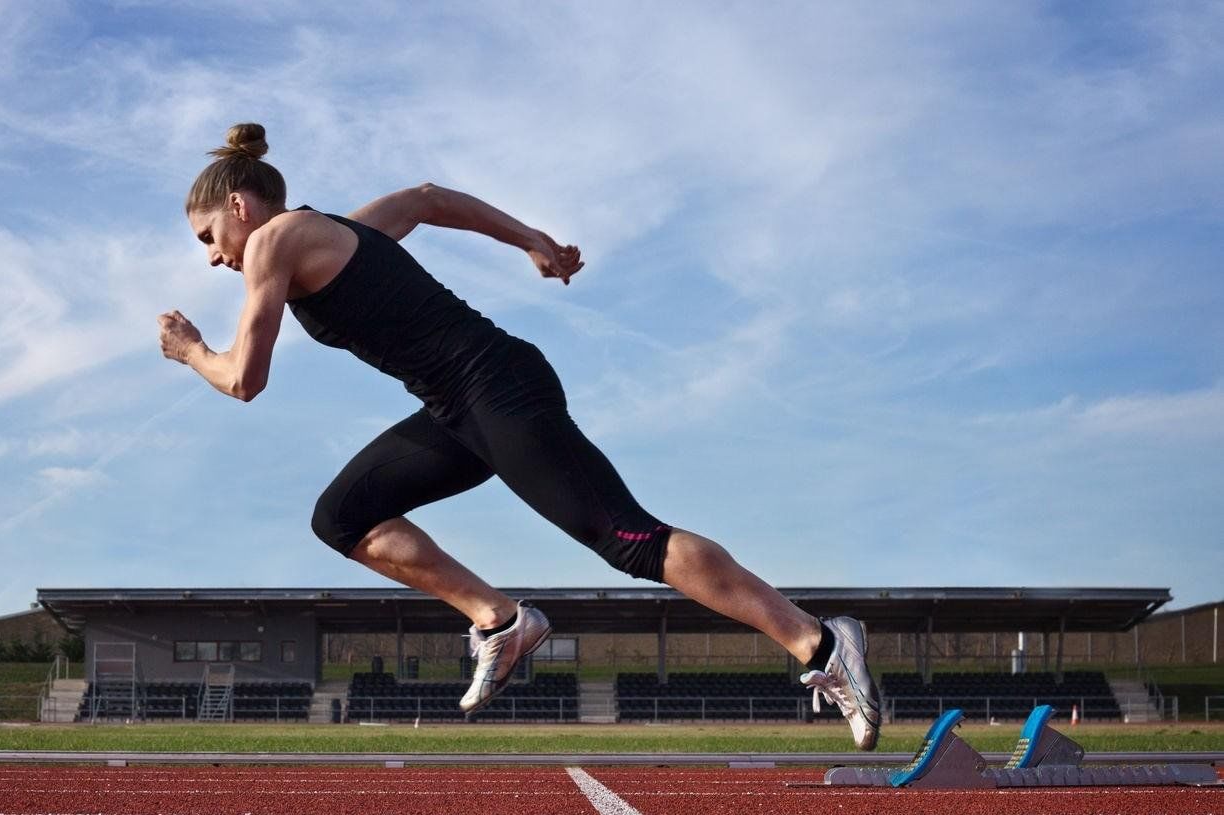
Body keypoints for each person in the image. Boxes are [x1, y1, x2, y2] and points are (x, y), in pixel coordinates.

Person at [158, 123, 881, 748]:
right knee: (341, 517)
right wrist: (531, 238)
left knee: (631, 540)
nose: (214, 256)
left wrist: (191, 350)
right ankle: (499, 620)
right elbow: (429, 198)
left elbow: (245, 379)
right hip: (458, 410)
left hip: (497, 391)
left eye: (209, 237)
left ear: (238, 206)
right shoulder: (343, 230)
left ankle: (817, 640)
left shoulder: (272, 243)